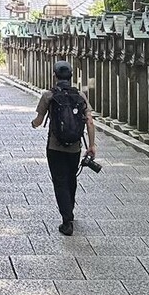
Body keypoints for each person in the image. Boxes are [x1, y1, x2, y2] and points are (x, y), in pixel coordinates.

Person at [30, 60, 97, 235]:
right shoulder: (80, 96)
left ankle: (67, 220)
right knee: (71, 178)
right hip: (75, 146)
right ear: (71, 76)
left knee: (59, 181)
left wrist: (34, 124)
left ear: (55, 75)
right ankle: (70, 209)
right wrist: (92, 145)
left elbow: (39, 119)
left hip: (55, 146)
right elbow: (89, 121)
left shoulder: (48, 95)